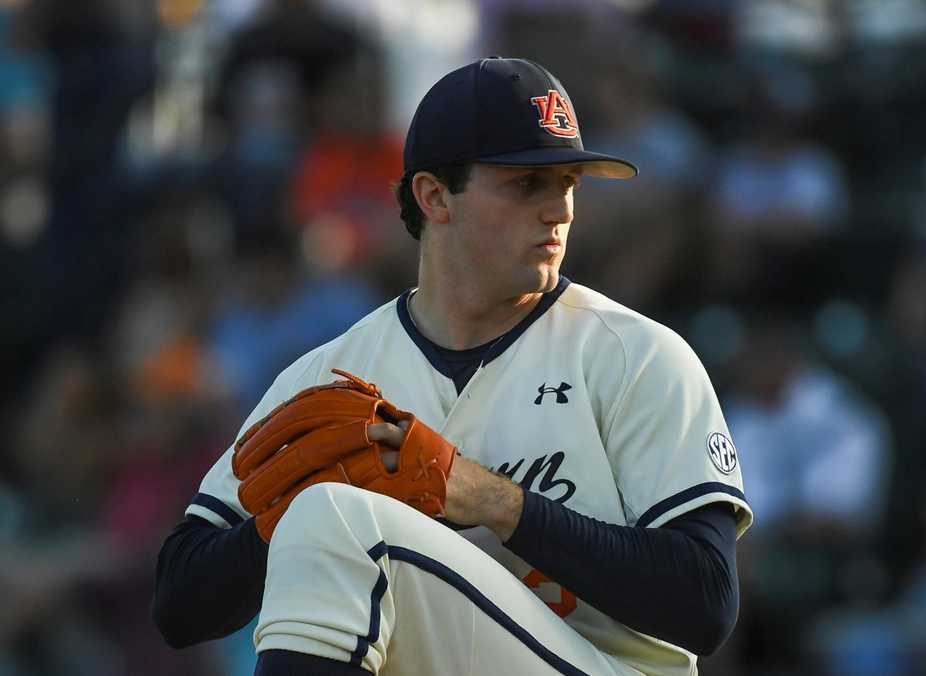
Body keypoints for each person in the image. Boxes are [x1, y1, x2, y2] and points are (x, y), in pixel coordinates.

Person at [152, 57, 752, 676]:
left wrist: (489, 497)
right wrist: (283, 518)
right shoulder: (332, 373)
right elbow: (179, 604)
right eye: (527, 185)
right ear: (435, 196)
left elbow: (705, 604)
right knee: (328, 514)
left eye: (567, 182)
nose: (561, 211)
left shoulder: (635, 354)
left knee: (339, 518)